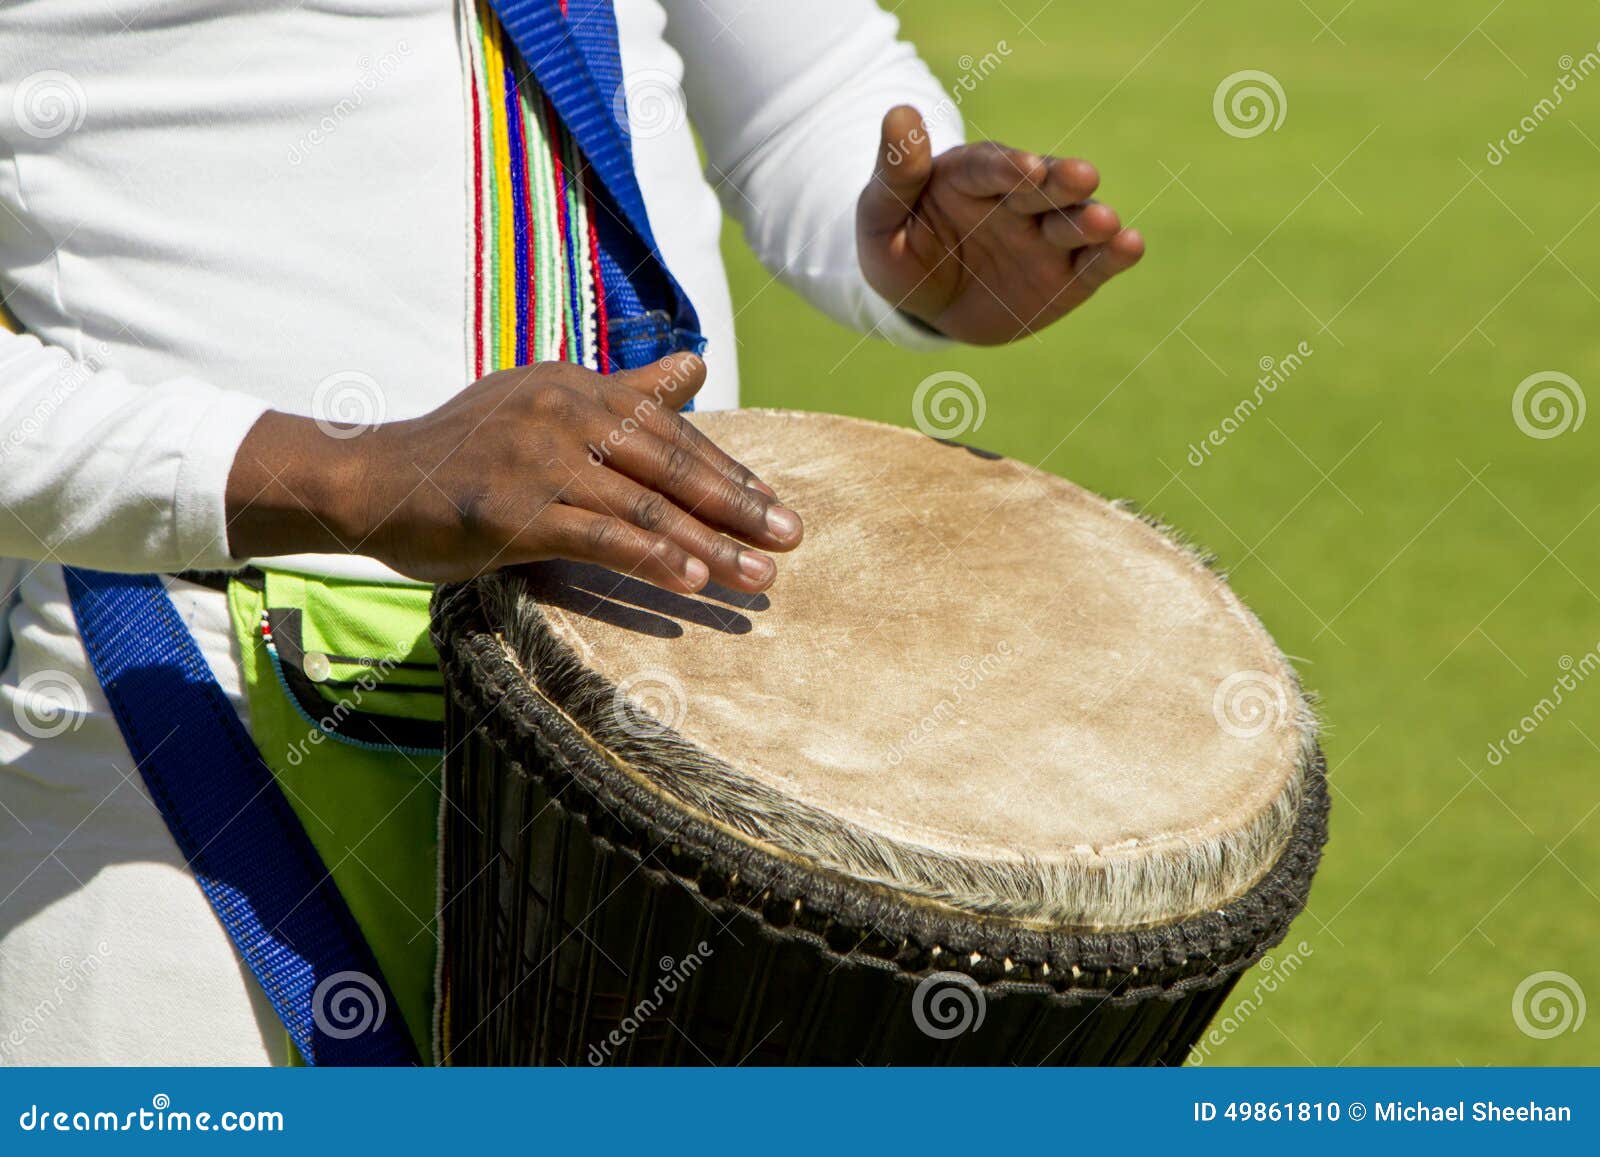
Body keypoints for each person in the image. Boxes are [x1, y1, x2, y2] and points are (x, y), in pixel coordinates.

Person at [0, 0, 1143, 1064]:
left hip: (675, 700)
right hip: (168, 713)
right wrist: (350, 473)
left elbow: (809, 79)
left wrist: (909, 249)